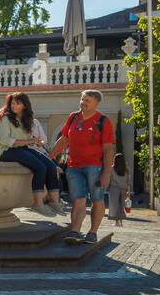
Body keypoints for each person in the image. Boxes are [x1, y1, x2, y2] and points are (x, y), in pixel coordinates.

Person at [50, 90, 116, 244]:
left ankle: (92, 233)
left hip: (95, 167)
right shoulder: (73, 117)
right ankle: (75, 231)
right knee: (78, 200)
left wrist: (106, 172)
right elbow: (64, 140)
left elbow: (108, 149)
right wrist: (49, 158)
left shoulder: (103, 121)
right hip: (74, 167)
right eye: (82, 99)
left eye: (87, 100)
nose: (83, 102)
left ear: (96, 103)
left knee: (97, 199)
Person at [0, 92, 63, 218]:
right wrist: (30, 141)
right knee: (40, 167)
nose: (14, 106)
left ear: (25, 105)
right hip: (6, 151)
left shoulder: (25, 119)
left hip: (22, 149)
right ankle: (38, 203)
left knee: (51, 166)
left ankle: (54, 202)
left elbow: (27, 139)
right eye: (12, 103)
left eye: (17, 103)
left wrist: (36, 141)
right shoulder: (4, 118)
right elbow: (5, 141)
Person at [107, 153, 130, 227]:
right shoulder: (126, 170)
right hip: (123, 189)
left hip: (114, 189)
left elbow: (109, 179)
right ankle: (121, 222)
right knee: (121, 206)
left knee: (115, 206)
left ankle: (116, 222)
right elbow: (128, 181)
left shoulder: (112, 169)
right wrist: (128, 190)